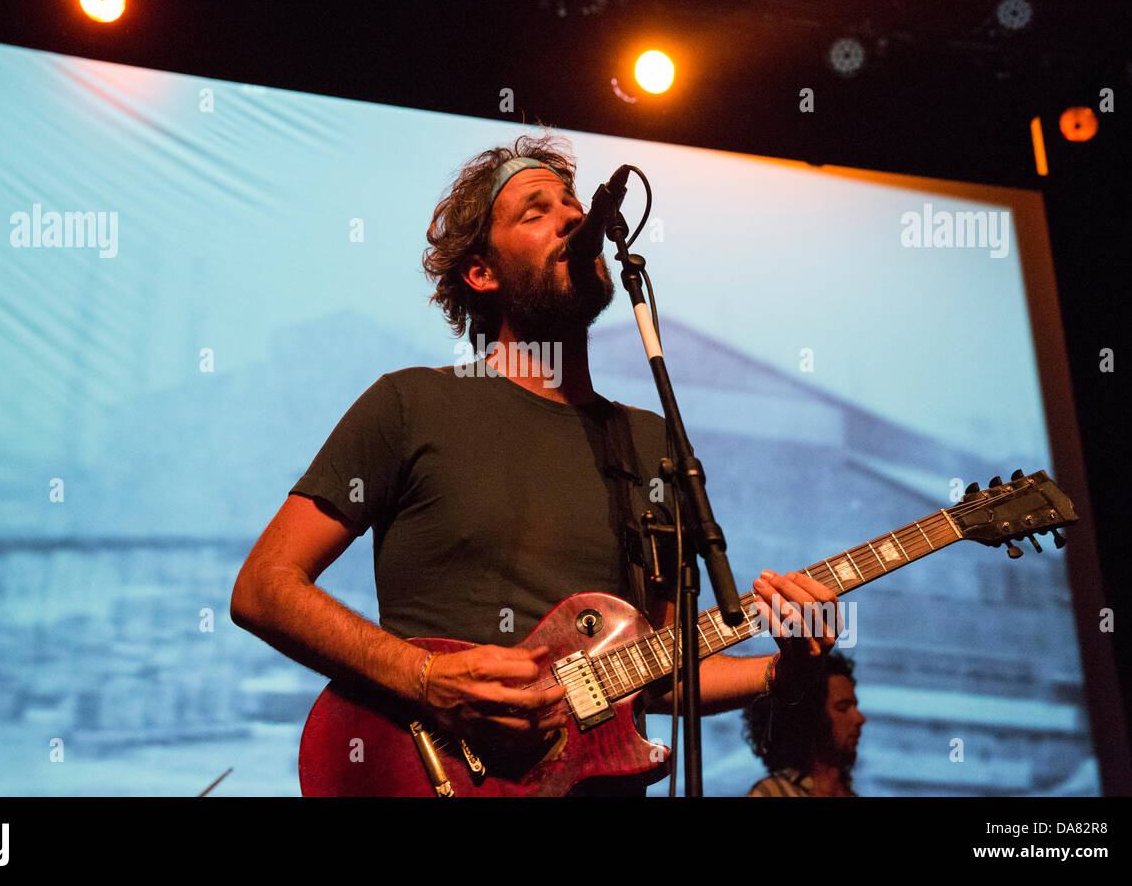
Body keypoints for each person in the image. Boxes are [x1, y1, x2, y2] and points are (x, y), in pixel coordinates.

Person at [230, 132, 839, 790]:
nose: (574, 217)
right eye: (535, 210)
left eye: (572, 204)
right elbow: (265, 587)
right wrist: (427, 678)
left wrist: (784, 673)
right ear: (481, 272)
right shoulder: (412, 403)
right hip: (426, 772)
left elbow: (657, 669)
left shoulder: (651, 444)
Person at [743, 650, 865, 796]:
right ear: (810, 717)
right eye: (843, 708)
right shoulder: (772, 792)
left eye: (855, 707)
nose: (859, 718)